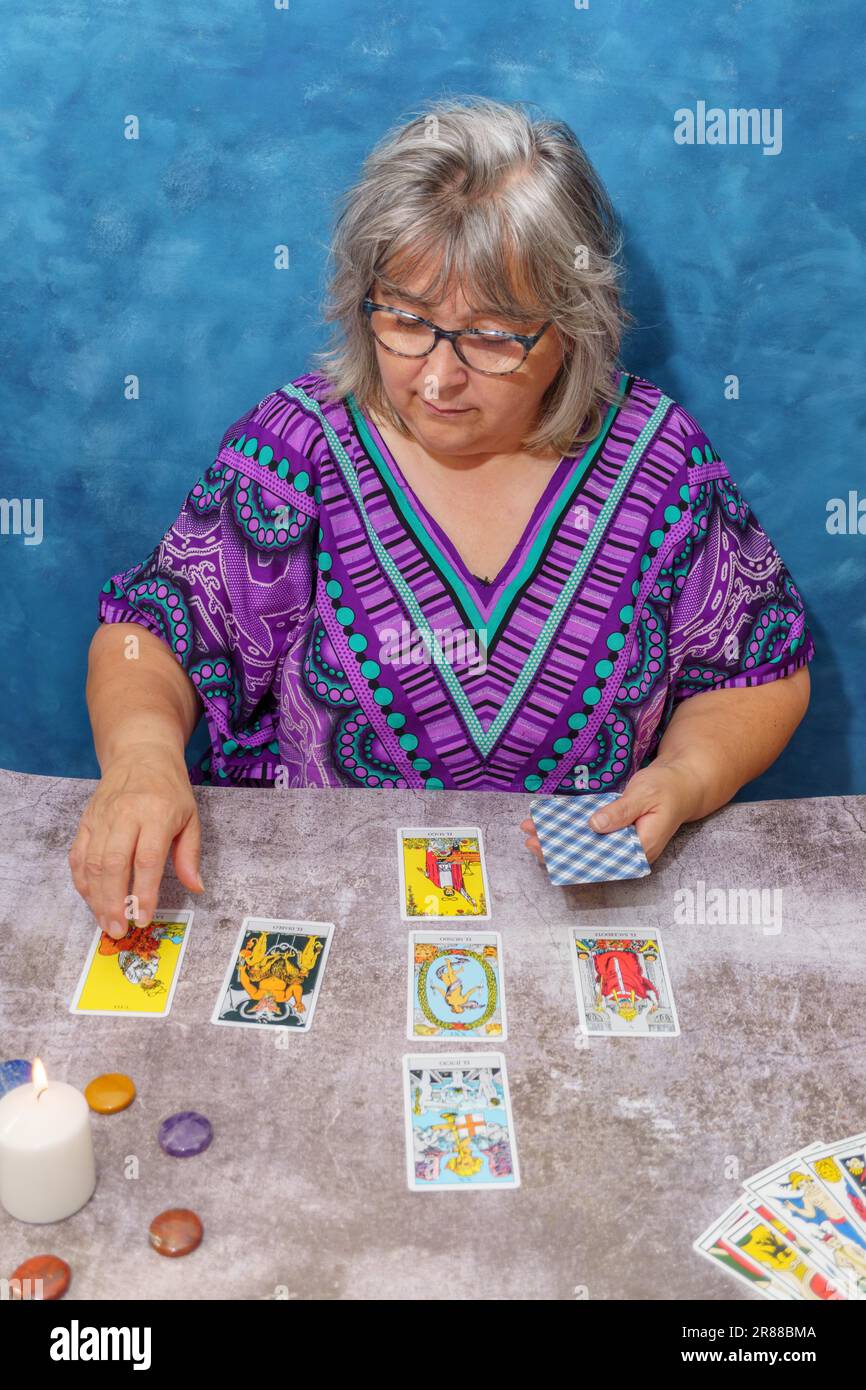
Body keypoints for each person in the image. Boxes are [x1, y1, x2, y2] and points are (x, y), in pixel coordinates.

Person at [70, 95, 813, 938]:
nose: (437, 378)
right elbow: (154, 634)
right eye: (406, 322)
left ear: (573, 327)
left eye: (493, 337)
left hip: (576, 924)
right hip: (326, 915)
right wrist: (140, 757)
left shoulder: (660, 461)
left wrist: (688, 776)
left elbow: (757, 669)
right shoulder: (297, 447)